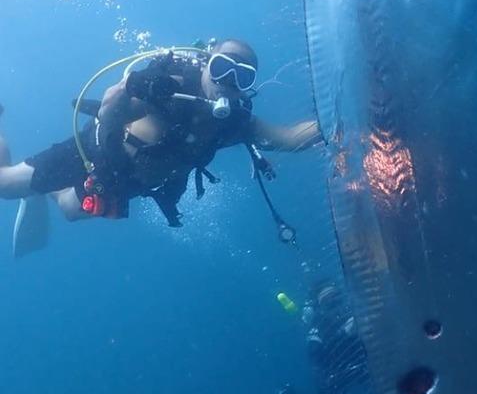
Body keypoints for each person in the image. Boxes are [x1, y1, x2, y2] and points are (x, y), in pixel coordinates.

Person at [0, 39, 320, 254]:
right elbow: (108, 113)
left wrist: (344, 116)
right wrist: (132, 86)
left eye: (242, 76)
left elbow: (291, 139)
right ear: (207, 62)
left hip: (128, 182)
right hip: (98, 151)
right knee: (5, 184)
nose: (228, 80)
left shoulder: (234, 123)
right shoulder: (171, 86)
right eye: (223, 67)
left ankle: (46, 191)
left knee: (71, 210)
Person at [274, 280, 371, 394]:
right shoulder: (318, 326)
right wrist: (344, 333)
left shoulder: (354, 314)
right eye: (329, 303)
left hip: (362, 366)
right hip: (337, 377)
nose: (335, 306)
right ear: (320, 308)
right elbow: (317, 357)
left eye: (337, 299)